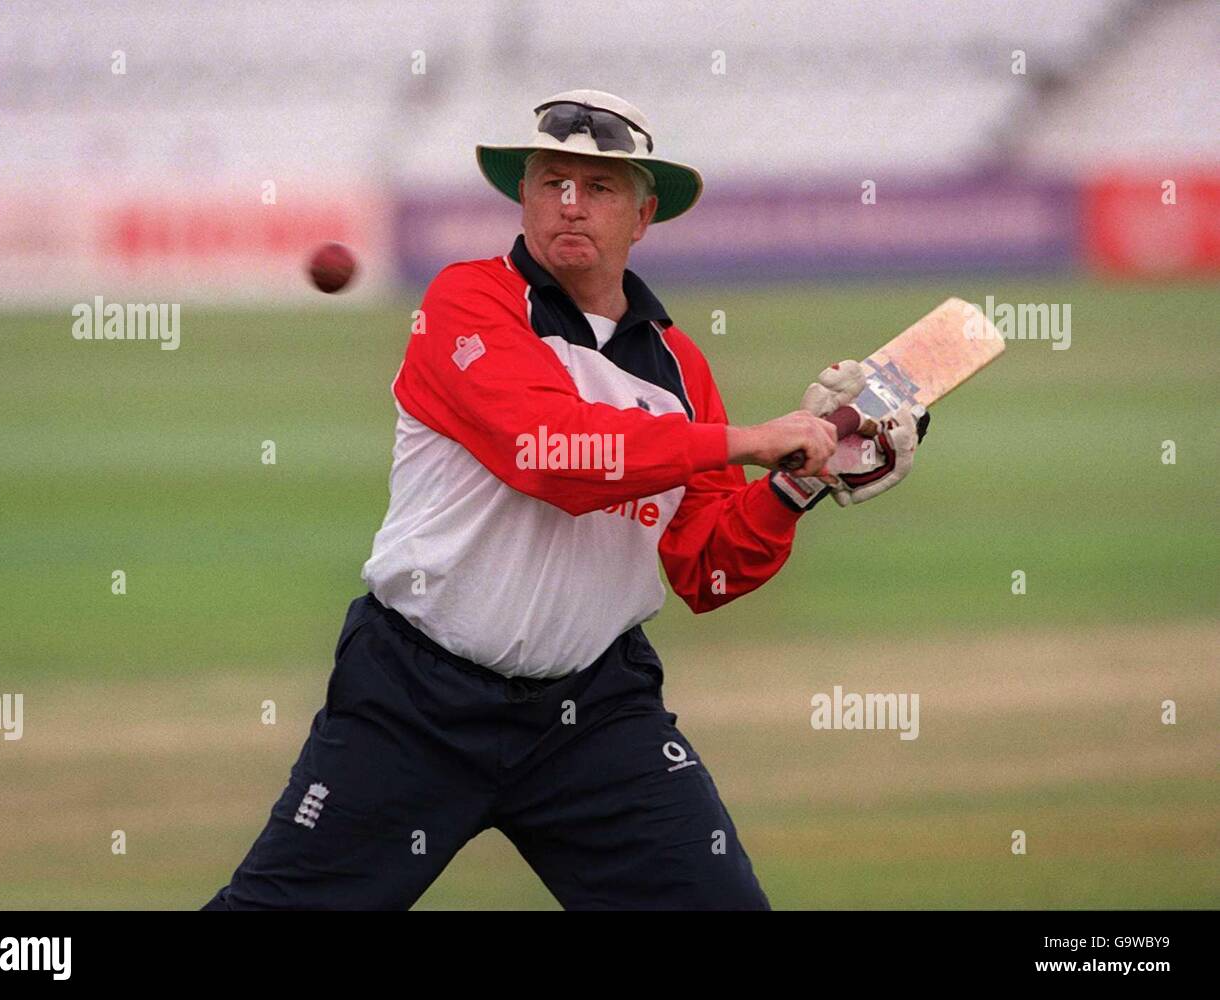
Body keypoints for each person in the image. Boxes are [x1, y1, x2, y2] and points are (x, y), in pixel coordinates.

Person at [202, 89, 924, 911]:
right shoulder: (467, 302)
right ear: (523, 197)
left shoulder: (681, 368)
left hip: (593, 714)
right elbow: (549, 454)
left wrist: (795, 488)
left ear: (644, 216)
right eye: (551, 183)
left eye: (600, 187)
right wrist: (750, 440)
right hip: (414, 701)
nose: (570, 204)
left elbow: (707, 570)